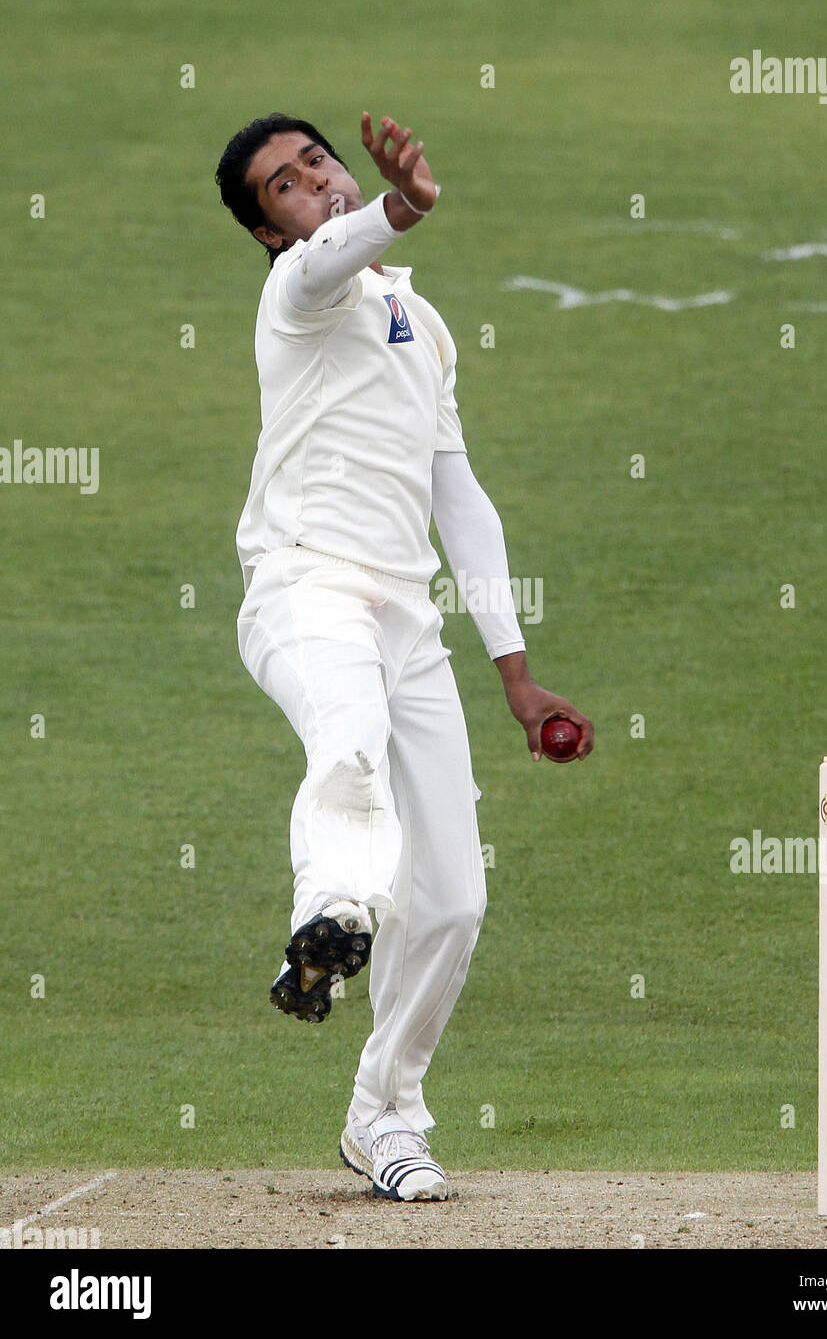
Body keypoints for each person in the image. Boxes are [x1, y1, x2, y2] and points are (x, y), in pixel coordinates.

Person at [215, 109, 593, 1201]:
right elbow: (340, 250)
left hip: (406, 620)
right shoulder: (297, 294)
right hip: (302, 588)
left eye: (317, 162)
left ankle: (383, 1114)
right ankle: (331, 914)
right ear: (270, 232)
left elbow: (455, 495)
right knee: (349, 744)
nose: (313, 187)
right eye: (284, 187)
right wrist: (400, 203)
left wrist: (513, 666)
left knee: (456, 901)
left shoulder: (420, 322)